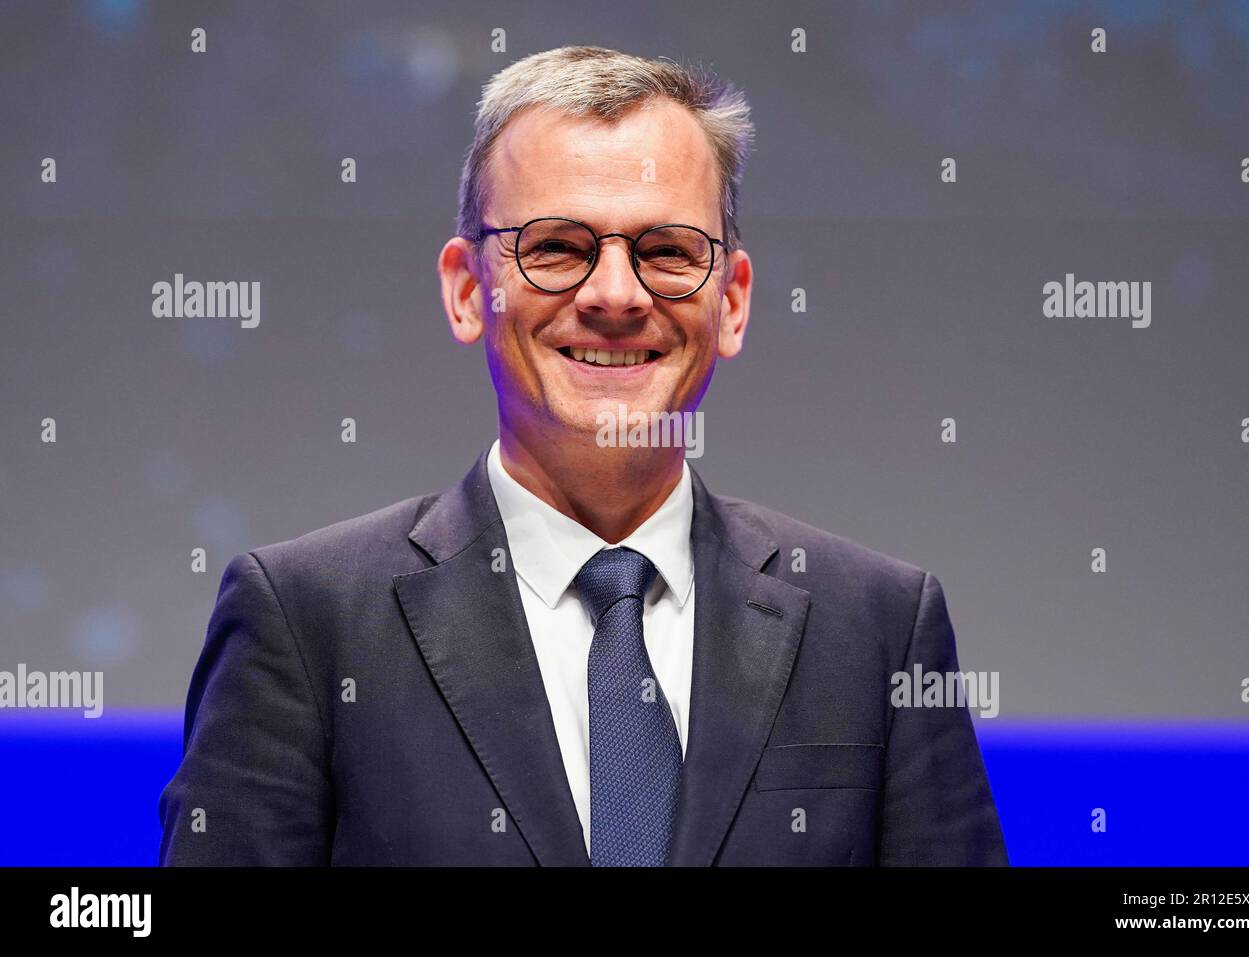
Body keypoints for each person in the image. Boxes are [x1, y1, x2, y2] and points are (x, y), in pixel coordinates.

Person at [158, 45, 1007, 866]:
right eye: (557, 247)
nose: (613, 294)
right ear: (465, 291)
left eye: (667, 250)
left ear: (733, 302)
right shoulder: (307, 622)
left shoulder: (879, 627)